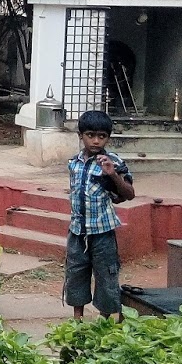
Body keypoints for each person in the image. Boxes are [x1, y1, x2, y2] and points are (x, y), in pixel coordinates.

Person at [66, 110, 135, 321]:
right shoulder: (74, 163)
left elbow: (129, 194)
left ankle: (104, 321)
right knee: (75, 273)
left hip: (103, 232)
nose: (96, 141)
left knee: (106, 275)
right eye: (90, 135)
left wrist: (112, 175)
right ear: (80, 136)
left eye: (102, 136)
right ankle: (77, 320)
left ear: (108, 138)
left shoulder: (114, 162)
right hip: (77, 231)